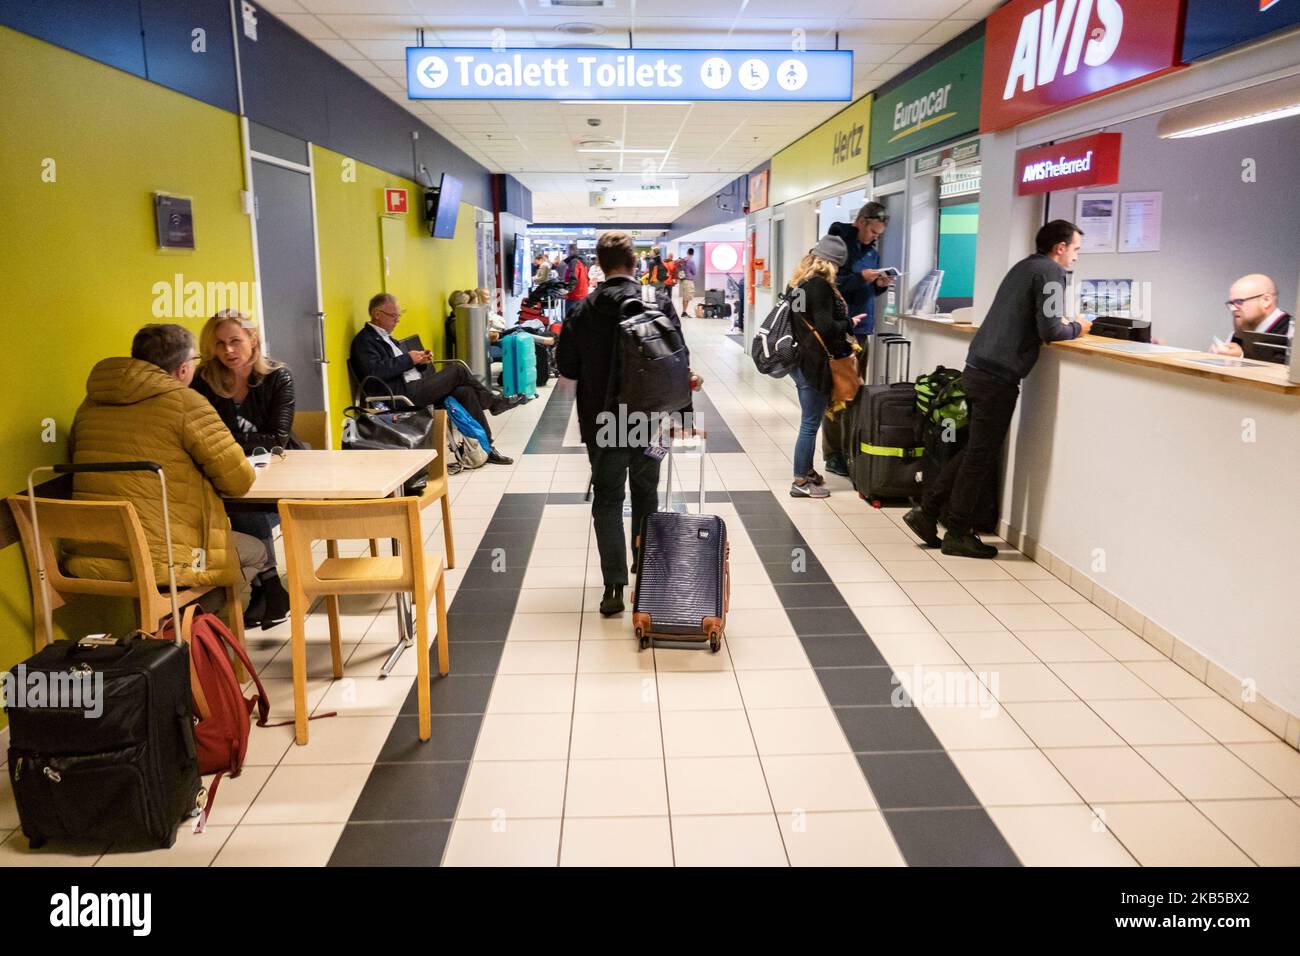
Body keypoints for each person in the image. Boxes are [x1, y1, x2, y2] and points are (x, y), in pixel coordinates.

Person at [66, 323, 289, 627]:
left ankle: (167, 634)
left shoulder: (89, 406)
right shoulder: (187, 404)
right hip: (166, 557)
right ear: (184, 369)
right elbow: (237, 481)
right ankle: (178, 629)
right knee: (255, 552)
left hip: (92, 551)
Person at [904, 220, 1093, 559]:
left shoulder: (1025, 266)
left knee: (972, 450)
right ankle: (958, 532)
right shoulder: (1051, 273)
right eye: (1076, 249)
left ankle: (927, 512)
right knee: (980, 455)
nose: (1077, 257)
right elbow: (1051, 329)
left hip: (978, 366)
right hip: (998, 377)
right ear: (1060, 247)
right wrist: (1080, 326)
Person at [557, 231, 699, 617]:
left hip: (604, 419)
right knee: (646, 493)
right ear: (634, 263)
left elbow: (567, 369)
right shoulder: (658, 301)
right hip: (649, 417)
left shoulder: (583, 310)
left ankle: (614, 587)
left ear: (599, 265)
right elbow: (678, 361)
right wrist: (683, 414)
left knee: (607, 500)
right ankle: (646, 566)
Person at [191, 310, 301, 627]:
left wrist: (227, 440)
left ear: (252, 340)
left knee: (246, 504)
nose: (228, 351)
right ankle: (268, 585)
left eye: (235, 341)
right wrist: (237, 442)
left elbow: (277, 439)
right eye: (220, 344)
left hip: (280, 474)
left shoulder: (279, 376)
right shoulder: (203, 380)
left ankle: (266, 587)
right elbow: (202, 435)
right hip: (232, 472)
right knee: (234, 497)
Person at [349, 293, 520, 465]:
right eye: (393, 315)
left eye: (399, 315)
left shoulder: (387, 338)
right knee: (457, 370)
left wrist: (420, 362)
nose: (397, 320)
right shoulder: (364, 341)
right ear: (377, 314)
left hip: (414, 386)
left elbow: (399, 366)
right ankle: (494, 403)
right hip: (399, 395)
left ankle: (487, 447)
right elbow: (374, 373)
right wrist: (409, 359)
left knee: (466, 392)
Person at [822, 201, 895, 476]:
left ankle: (849, 450)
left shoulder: (872, 253)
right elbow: (829, 284)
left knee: (854, 394)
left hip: (863, 332)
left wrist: (877, 285)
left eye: (879, 234)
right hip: (841, 330)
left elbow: (863, 291)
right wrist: (859, 277)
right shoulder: (839, 246)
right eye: (873, 232)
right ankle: (833, 454)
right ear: (862, 221)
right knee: (838, 395)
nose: (875, 238)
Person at [787, 236, 858, 499]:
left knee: (810, 419)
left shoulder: (798, 283)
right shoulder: (820, 287)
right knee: (809, 423)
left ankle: (807, 470)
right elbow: (826, 326)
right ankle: (800, 481)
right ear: (833, 263)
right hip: (814, 362)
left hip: (800, 359)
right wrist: (849, 324)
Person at [1209, 274, 1293, 360]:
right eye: (1231, 303)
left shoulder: (1292, 332)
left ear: (1266, 300)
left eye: (1239, 302)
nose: (1233, 308)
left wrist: (1241, 357)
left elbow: (1290, 369)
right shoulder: (1239, 332)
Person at [561, 243, 589, 319]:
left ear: (571, 251)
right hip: (581, 295)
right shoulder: (582, 262)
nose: (565, 252)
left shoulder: (574, 262)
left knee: (569, 320)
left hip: (574, 297)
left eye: (566, 250)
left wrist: (566, 291)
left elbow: (573, 278)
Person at [678, 247, 698, 314]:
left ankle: (684, 311)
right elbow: (694, 272)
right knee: (687, 297)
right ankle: (684, 312)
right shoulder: (691, 261)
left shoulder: (683, 259)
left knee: (684, 297)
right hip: (688, 281)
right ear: (693, 253)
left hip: (682, 280)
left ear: (687, 252)